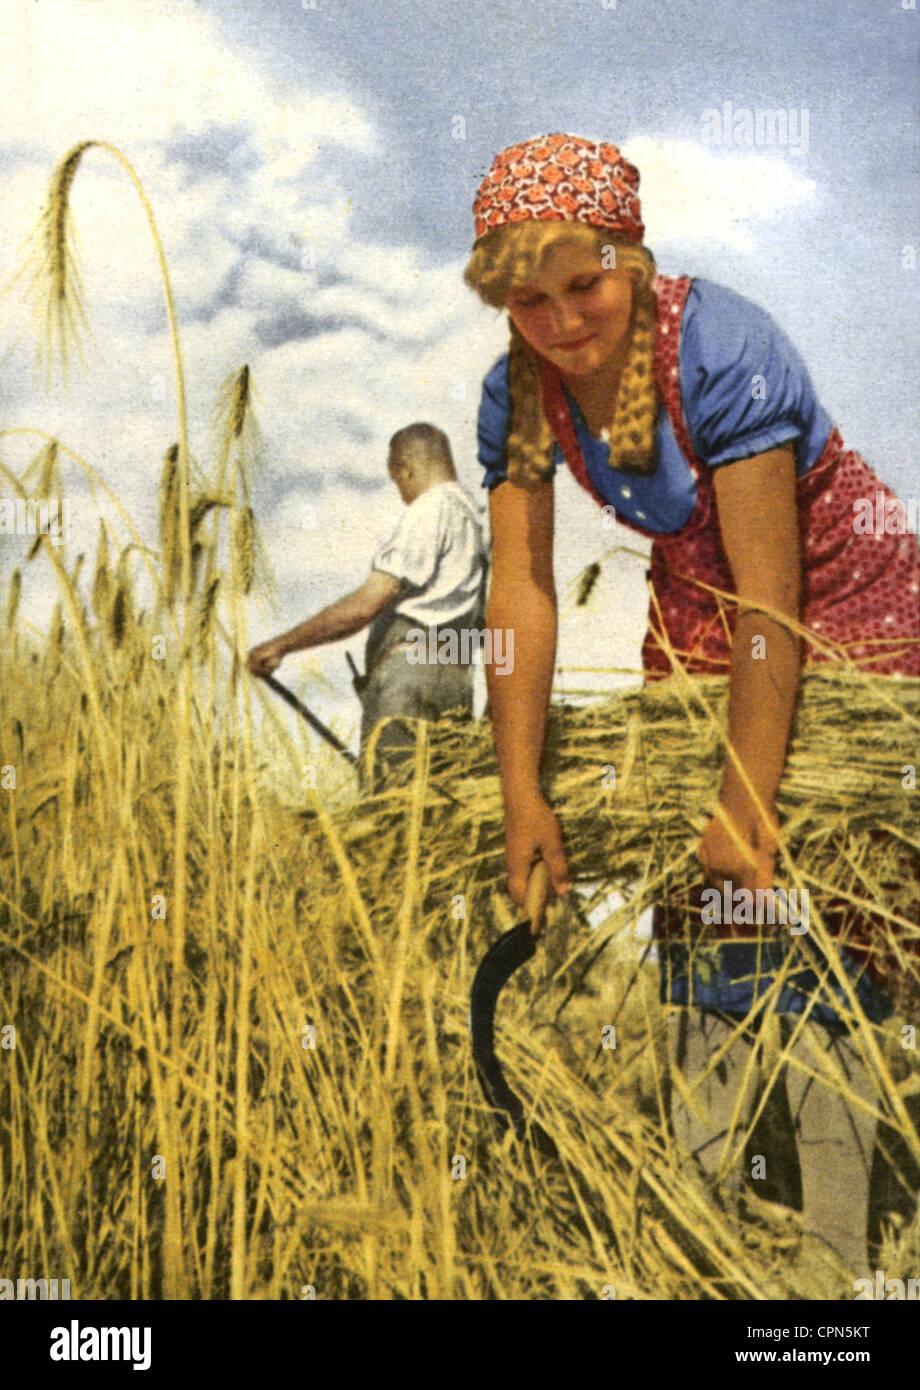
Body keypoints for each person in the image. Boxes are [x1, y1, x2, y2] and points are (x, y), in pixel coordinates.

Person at [463, 132, 919, 1273]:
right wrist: (520, 792)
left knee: (823, 901)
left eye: (585, 283)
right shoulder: (518, 391)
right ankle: (709, 1214)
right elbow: (518, 588)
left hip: (839, 595)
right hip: (699, 602)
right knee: (699, 911)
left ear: (633, 255)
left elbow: (777, 603)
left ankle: (836, 1253)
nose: (563, 320)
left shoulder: (721, 348)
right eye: (528, 299)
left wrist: (749, 813)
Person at [247, 422, 488, 783]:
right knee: (438, 817)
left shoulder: (430, 509)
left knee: (391, 811)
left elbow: (366, 605)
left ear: (403, 468)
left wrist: (283, 645)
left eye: (399, 483)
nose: (402, 494)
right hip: (457, 681)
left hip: (409, 680)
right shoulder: (477, 520)